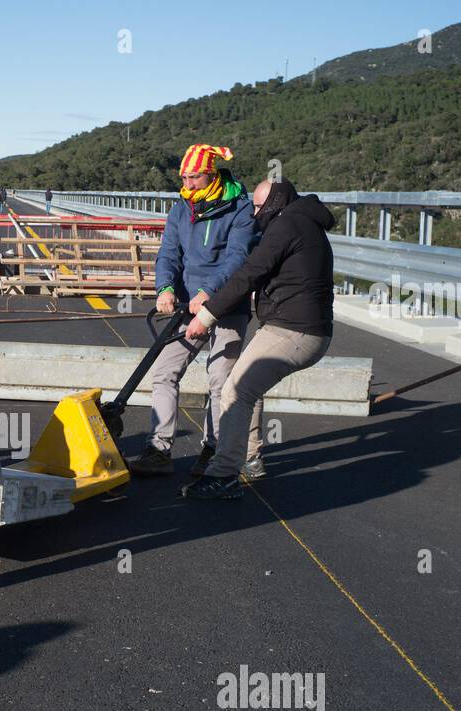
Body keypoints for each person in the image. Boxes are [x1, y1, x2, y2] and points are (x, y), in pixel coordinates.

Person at [181, 179, 335, 500]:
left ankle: (223, 475)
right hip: (304, 329)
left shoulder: (287, 224)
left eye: (258, 206)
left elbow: (249, 273)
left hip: (293, 330)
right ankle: (249, 458)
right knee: (248, 385)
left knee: (235, 390)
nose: (254, 213)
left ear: (275, 203)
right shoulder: (304, 222)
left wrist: (206, 316)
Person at [127, 144, 263, 479]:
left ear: (212, 173)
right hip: (188, 306)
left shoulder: (240, 209)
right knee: (165, 371)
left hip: (227, 304)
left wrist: (209, 293)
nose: (189, 182)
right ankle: (159, 449)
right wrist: (166, 288)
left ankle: (212, 449)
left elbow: (237, 259)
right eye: (185, 177)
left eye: (195, 176)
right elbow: (169, 253)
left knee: (220, 380)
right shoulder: (180, 208)